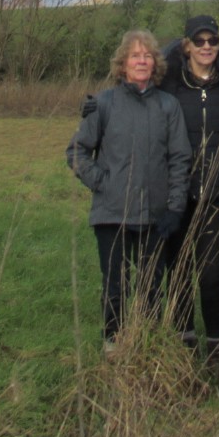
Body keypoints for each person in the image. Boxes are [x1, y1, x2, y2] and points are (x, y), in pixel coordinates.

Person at [66, 29, 191, 354]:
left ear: (155, 63)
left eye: (147, 55)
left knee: (151, 287)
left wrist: (175, 206)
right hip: (112, 213)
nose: (142, 61)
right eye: (135, 56)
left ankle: (147, 345)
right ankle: (114, 345)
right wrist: (103, 183)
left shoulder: (168, 105)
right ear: (123, 63)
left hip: (154, 213)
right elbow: (76, 152)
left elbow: (180, 159)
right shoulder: (102, 104)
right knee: (116, 285)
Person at [158, 14, 219, 375]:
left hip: (216, 191)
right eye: (199, 40)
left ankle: (218, 346)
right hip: (175, 192)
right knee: (176, 271)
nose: (207, 47)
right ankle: (183, 341)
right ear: (186, 45)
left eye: (213, 41)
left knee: (211, 274)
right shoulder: (170, 85)